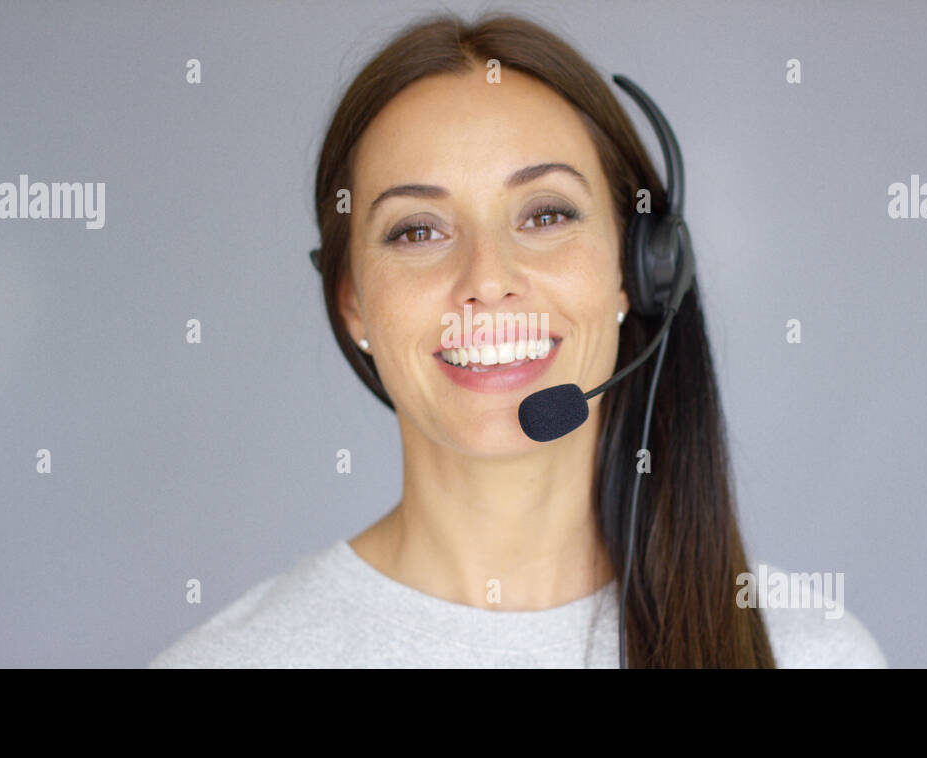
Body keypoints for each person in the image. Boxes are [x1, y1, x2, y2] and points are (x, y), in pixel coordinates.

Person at [151, 10, 887, 668]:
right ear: (353, 304)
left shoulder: (809, 652)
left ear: (640, 268)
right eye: (417, 230)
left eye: (545, 215)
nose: (488, 277)